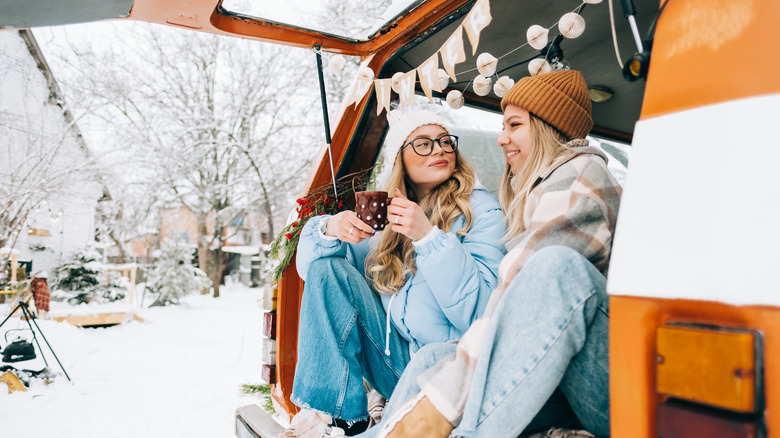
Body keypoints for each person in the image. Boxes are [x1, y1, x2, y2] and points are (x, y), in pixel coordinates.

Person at [364, 70, 622, 438]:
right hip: (559, 372)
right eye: (503, 126)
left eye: (514, 125)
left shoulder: (580, 177)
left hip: (611, 384)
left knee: (555, 267)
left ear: (548, 126)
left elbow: (500, 303)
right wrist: (325, 229)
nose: (502, 139)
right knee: (433, 358)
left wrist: (429, 238)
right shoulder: (534, 194)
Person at [281, 109, 507, 437]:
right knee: (328, 265)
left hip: (448, 374)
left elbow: (480, 315)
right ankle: (339, 417)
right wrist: (329, 228)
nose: (440, 150)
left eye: (445, 142)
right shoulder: (385, 216)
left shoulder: (482, 211)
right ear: (401, 157)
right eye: (424, 144)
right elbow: (315, 273)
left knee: (432, 353)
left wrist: (429, 237)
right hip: (396, 366)